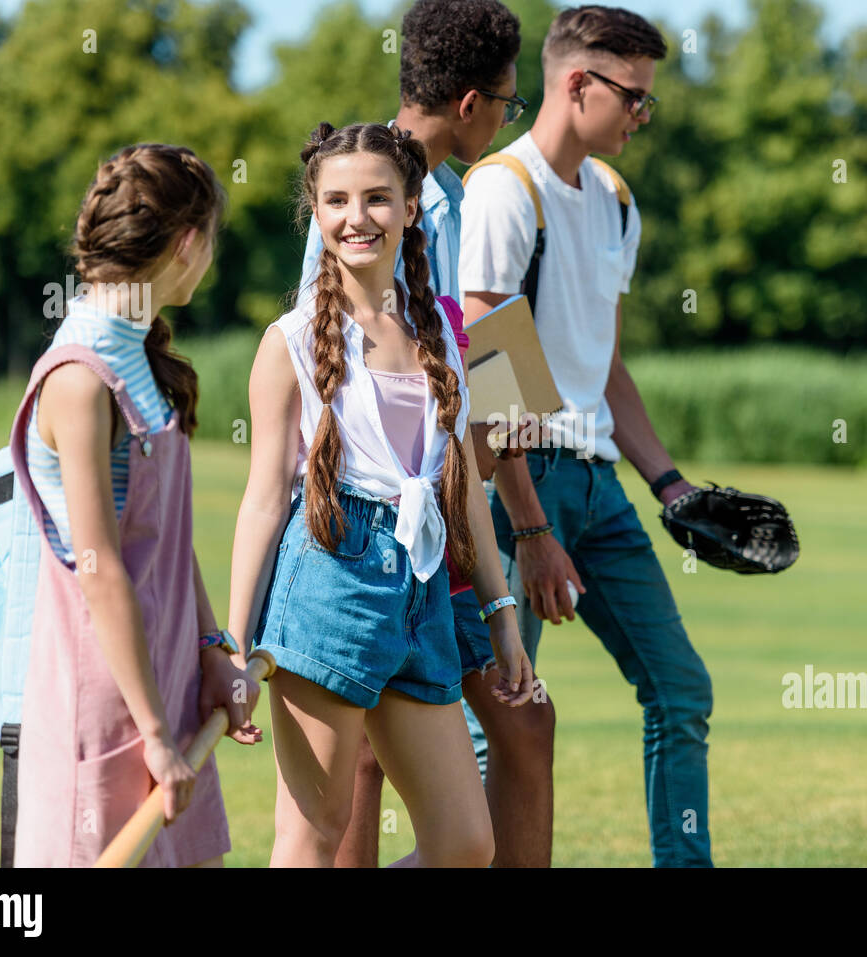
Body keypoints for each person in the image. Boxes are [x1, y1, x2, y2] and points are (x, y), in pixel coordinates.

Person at [229, 121, 533, 867]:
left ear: (409, 207)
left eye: (375, 198)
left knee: (465, 842)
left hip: (424, 594)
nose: (355, 217)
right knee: (313, 837)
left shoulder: (440, 334)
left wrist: (501, 615)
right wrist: (233, 647)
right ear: (316, 211)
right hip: (328, 587)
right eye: (336, 200)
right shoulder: (290, 340)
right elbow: (264, 499)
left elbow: (461, 494)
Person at [297, 0, 557, 868]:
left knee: (500, 734)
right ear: (473, 100)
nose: (508, 120)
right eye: (511, 104)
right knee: (360, 770)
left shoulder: (440, 195)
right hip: (367, 534)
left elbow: (463, 362)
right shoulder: (371, 194)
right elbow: (328, 373)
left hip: (443, 522)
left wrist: (500, 415)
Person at [458, 4, 714, 867]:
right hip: (516, 487)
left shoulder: (613, 198)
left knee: (681, 689)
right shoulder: (502, 189)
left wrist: (669, 482)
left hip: (602, 488)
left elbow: (600, 363)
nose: (643, 115)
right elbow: (495, 365)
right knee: (504, 717)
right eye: (635, 99)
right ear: (577, 84)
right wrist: (531, 530)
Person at [8, 143, 260, 868]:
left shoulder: (139, 353)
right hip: (110, 704)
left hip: (170, 681)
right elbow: (101, 569)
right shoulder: (79, 377)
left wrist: (213, 650)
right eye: (211, 238)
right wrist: (151, 729)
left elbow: (167, 543)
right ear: (188, 244)